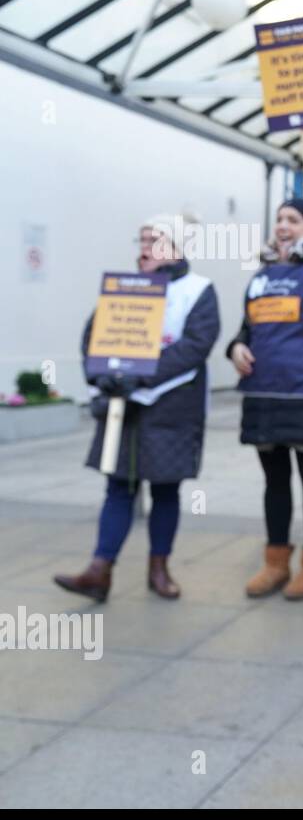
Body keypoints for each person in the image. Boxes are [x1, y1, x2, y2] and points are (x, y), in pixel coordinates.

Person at [54, 214, 220, 602]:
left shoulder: (199, 290)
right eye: (142, 240)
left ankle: (158, 569)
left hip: (172, 406)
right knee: (118, 487)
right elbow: (94, 337)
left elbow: (196, 346)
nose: (144, 248)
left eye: (154, 240)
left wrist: (142, 375)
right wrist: (101, 374)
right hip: (123, 406)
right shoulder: (125, 288)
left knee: (165, 490)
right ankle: (100, 570)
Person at [226, 179, 303, 601]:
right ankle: (275, 563)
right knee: (274, 481)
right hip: (265, 393)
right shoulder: (261, 276)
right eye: (279, 218)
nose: (283, 225)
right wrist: (236, 347)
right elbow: (247, 328)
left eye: (293, 219)